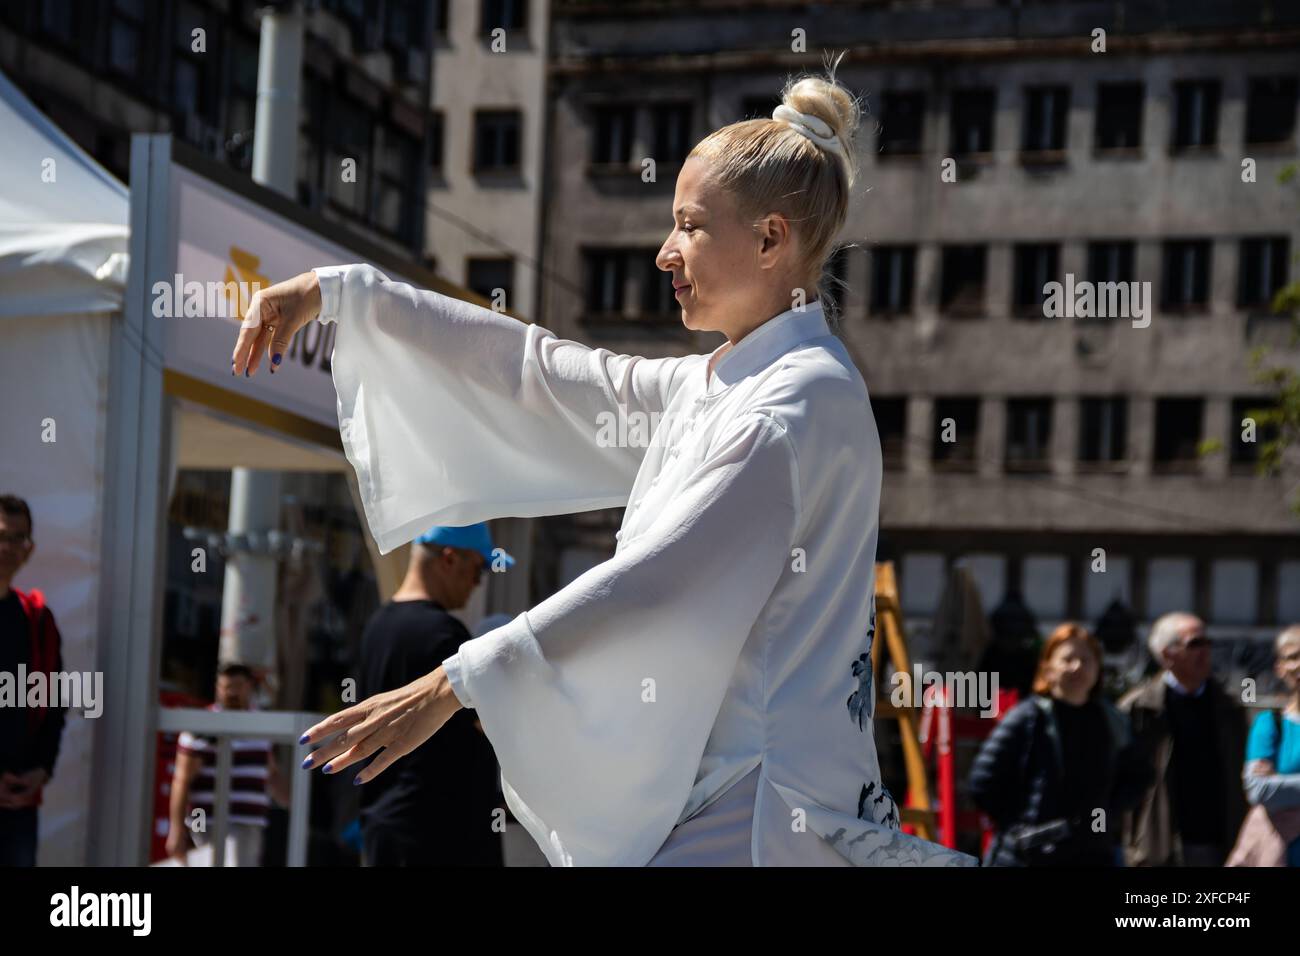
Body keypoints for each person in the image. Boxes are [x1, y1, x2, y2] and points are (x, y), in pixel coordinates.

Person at [232, 58, 972, 867]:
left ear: (770, 240)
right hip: (731, 801)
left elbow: (659, 579)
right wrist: (349, 296)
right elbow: (541, 373)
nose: (665, 252)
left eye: (690, 225)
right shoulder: (726, 385)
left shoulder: (793, 403)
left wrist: (453, 683)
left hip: (759, 815)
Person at [357, 523, 510, 866]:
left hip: (386, 821)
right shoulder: (444, 634)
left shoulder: (378, 625)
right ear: (450, 559)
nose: (478, 582)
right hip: (439, 829)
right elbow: (491, 722)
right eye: (477, 568)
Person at [968, 623, 1150, 866]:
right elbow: (983, 782)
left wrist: (1103, 816)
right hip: (1030, 856)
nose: (1077, 667)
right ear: (1047, 669)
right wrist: (1020, 827)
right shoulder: (1028, 717)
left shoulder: (1112, 720)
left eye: (1086, 660)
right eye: (1068, 659)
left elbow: (1138, 775)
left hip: (1092, 854)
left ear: (1098, 669)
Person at [1119, 612, 1248, 866]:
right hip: (1156, 844)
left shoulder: (1230, 708)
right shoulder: (1138, 710)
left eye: (1207, 643)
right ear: (1167, 654)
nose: (1205, 651)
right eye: (1194, 644)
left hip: (1220, 844)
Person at [166, 663, 289, 866]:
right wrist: (177, 829)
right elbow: (182, 779)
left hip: (247, 819)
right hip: (205, 819)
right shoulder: (202, 724)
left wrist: (291, 801)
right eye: (226, 686)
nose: (231, 692)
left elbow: (269, 770)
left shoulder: (263, 725)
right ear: (217, 688)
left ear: (249, 687)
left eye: (238, 686)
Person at [0, 494, 67, 867]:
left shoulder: (37, 620)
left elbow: (54, 702)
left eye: (18, 538)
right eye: (2, 536)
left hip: (19, 803)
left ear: (30, 548)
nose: (8, 548)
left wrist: (43, 767)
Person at [1238, 626, 1300, 866]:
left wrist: (1281, 782)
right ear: (1280, 668)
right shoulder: (1269, 724)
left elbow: (1272, 789)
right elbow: (1258, 790)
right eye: (1293, 657)